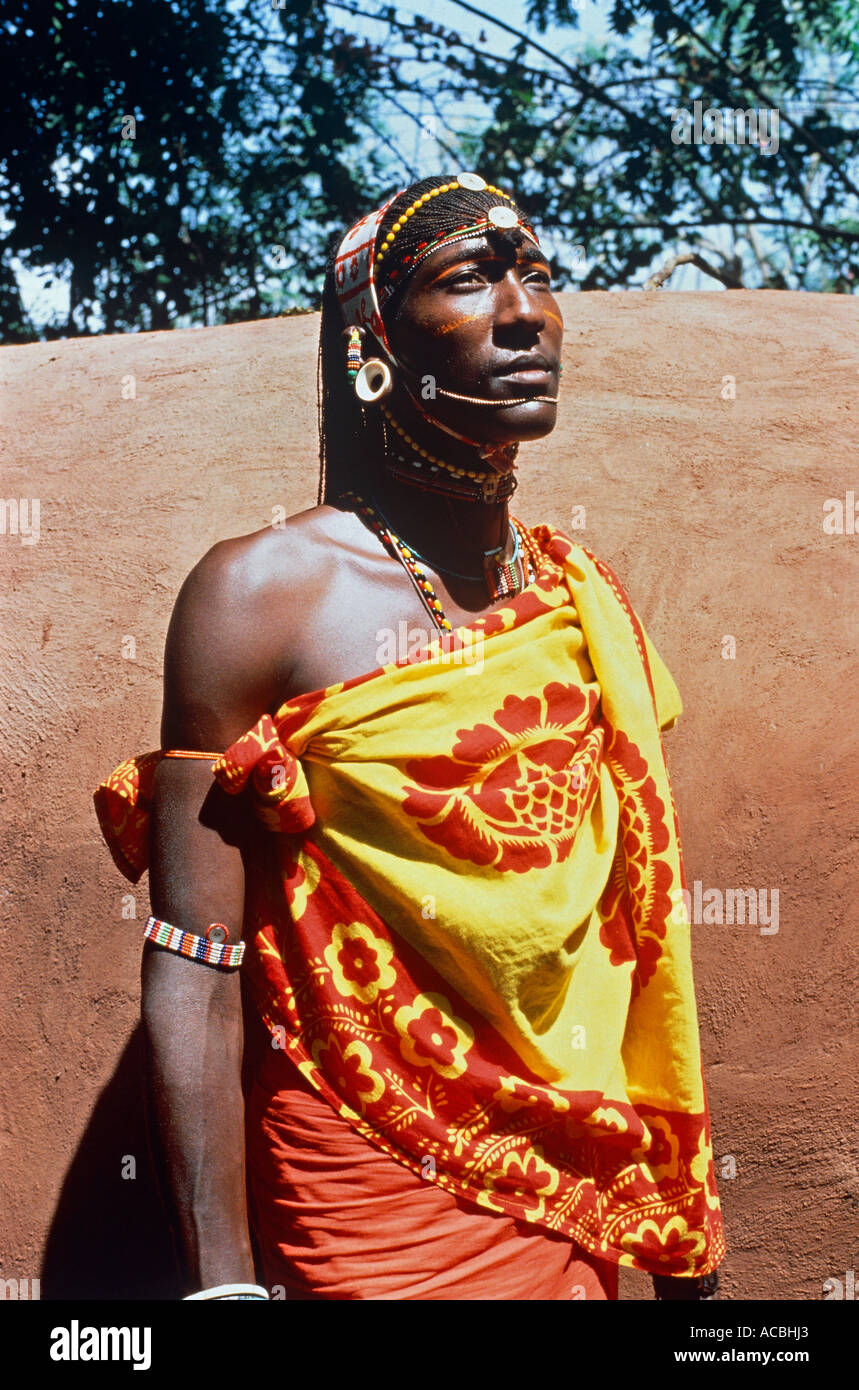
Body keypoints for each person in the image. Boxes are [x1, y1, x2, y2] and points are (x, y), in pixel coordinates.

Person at [94, 172, 726, 1301]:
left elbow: (631, 934)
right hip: (369, 1162)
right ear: (372, 338)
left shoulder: (583, 597)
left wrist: (670, 1210)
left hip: (573, 1167)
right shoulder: (260, 596)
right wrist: (225, 1288)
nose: (524, 309)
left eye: (536, 272)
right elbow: (198, 963)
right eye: (469, 278)